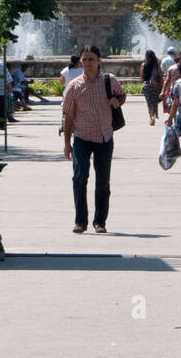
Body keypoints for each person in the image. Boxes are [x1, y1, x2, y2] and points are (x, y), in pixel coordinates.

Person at [61, 45, 125, 234]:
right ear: (81, 61)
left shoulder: (109, 80)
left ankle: (100, 222)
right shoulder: (74, 87)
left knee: (103, 181)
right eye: (85, 59)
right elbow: (69, 116)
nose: (88, 63)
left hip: (105, 137)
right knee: (80, 178)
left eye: (91, 59)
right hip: (81, 138)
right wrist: (67, 144)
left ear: (99, 61)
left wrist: (116, 101)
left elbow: (122, 95)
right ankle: (80, 221)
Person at [140, 48, 162, 126]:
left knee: (149, 102)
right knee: (155, 101)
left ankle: (151, 117)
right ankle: (154, 114)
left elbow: (142, 77)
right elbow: (160, 75)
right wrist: (161, 85)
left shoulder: (143, 65)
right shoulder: (157, 64)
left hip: (147, 86)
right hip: (156, 85)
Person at [159, 49, 181, 114]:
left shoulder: (165, 61)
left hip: (171, 84)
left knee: (171, 101)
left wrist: (163, 91)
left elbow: (162, 70)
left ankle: (172, 114)